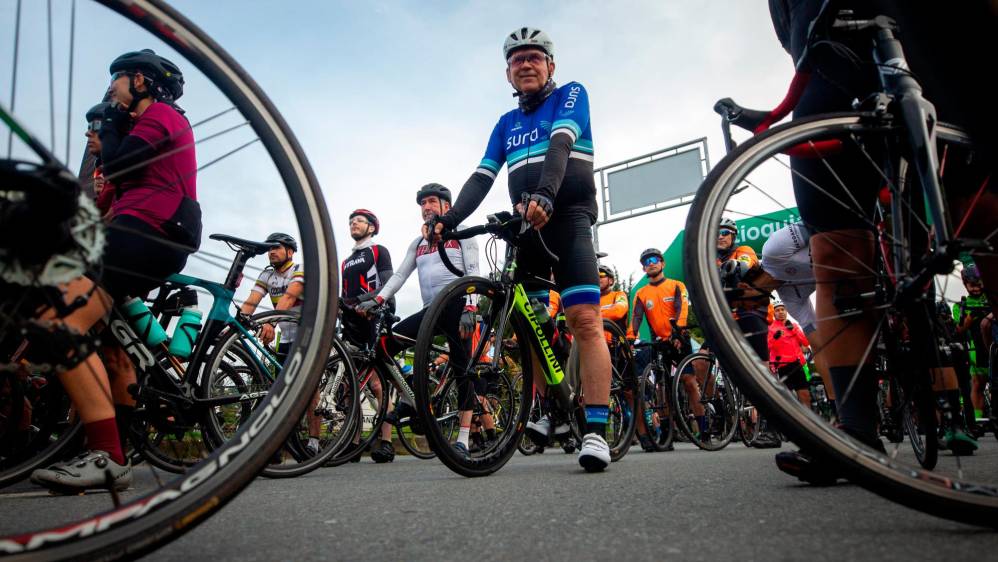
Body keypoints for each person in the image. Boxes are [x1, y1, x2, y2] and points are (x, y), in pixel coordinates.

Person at [769, 1, 995, 483]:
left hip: (934, 40)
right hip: (829, 59)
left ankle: (952, 415)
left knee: (985, 215)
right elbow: (789, 34)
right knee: (835, 254)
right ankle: (854, 432)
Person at [425, 27, 612, 472]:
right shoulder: (505, 124)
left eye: (534, 57)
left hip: (565, 217)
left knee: (584, 317)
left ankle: (596, 430)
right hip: (525, 222)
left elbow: (562, 145)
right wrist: (448, 222)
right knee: (526, 323)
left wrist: (547, 195)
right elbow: (482, 177)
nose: (525, 64)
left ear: (550, 65)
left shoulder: (570, 94)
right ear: (508, 73)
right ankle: (550, 407)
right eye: (516, 60)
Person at [30, 49, 196, 493]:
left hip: (152, 230)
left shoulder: (162, 116)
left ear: (140, 81)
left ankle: (108, 453)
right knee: (112, 349)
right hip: (132, 227)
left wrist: (110, 133)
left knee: (60, 322)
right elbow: (101, 211)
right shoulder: (136, 125)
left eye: (117, 81)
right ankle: (109, 443)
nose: (111, 90)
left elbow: (123, 165)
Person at [358, 183, 484, 458]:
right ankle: (410, 398)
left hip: (457, 306)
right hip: (430, 310)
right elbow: (400, 275)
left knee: (463, 369)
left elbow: (474, 272)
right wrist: (378, 300)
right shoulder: (418, 243)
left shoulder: (462, 234)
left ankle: (463, 437)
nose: (426, 207)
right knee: (385, 346)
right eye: (422, 203)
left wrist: (471, 310)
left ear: (446, 207)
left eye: (431, 201)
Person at [239, 233, 321, 455]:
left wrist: (270, 322)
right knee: (279, 388)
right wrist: (232, 328)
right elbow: (251, 302)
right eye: (269, 249)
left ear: (290, 252)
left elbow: (289, 297)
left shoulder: (299, 269)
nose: (272, 251)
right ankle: (280, 439)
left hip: (308, 334)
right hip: (285, 337)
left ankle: (314, 440)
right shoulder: (267, 275)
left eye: (277, 247)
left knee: (309, 388)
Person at [339, 208, 396, 463]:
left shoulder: (378, 251)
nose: (354, 224)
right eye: (351, 221)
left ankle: (386, 441)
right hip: (351, 321)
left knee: (376, 383)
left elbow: (387, 284)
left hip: (374, 317)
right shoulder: (345, 261)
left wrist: (369, 304)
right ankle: (354, 442)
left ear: (371, 227)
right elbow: (344, 294)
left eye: (359, 221)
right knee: (352, 383)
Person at [627, 248, 702, 440]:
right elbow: (636, 317)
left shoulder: (676, 285)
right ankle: (669, 432)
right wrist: (630, 338)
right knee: (663, 387)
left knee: (688, 381)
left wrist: (678, 331)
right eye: (646, 262)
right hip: (659, 343)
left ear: (662, 263)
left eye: (654, 259)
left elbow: (681, 308)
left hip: (679, 338)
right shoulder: (642, 293)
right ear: (644, 269)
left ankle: (704, 428)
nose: (650, 263)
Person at [953, 264, 992, 425]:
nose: (976, 289)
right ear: (965, 284)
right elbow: (959, 329)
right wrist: (970, 318)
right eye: (972, 285)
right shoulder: (960, 305)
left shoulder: (990, 298)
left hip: (991, 346)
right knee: (977, 384)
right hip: (975, 348)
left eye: (979, 284)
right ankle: (977, 419)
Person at [768, 300, 812, 406]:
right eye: (777, 310)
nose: (781, 312)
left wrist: (794, 330)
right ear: (774, 313)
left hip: (798, 365)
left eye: (783, 309)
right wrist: (774, 338)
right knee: (787, 399)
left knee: (805, 395)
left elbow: (806, 342)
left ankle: (808, 420)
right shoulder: (770, 328)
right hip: (782, 367)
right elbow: (767, 348)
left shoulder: (794, 325)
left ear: (786, 311)